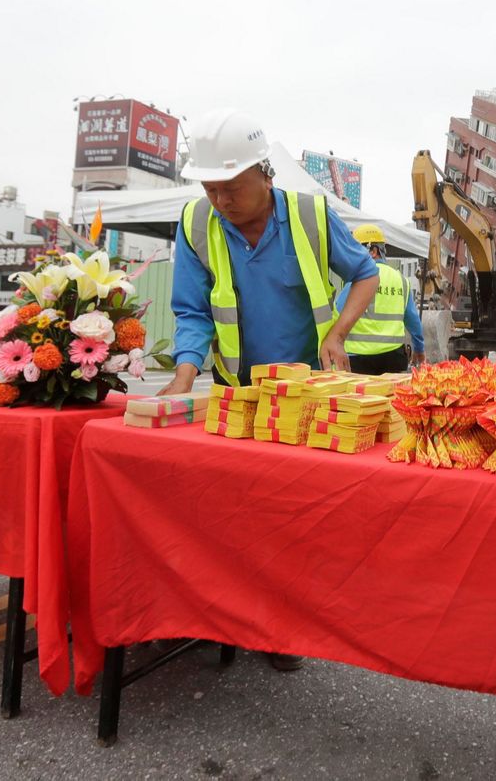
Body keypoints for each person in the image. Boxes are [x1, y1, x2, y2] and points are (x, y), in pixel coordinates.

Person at [159, 108, 380, 672]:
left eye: (231, 188)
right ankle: (220, 618)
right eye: (211, 189)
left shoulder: (309, 213)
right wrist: (185, 378)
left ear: (265, 173)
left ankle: (279, 629)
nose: (221, 200)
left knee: (292, 519)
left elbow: (365, 273)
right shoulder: (194, 224)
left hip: (306, 393)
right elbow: (190, 310)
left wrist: (338, 333)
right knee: (225, 515)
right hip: (238, 391)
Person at [338, 223, 425, 373]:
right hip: (393, 359)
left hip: (358, 360)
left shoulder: (357, 278)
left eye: (357, 249)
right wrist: (419, 349)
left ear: (373, 251)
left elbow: (337, 313)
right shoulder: (401, 280)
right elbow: (413, 321)